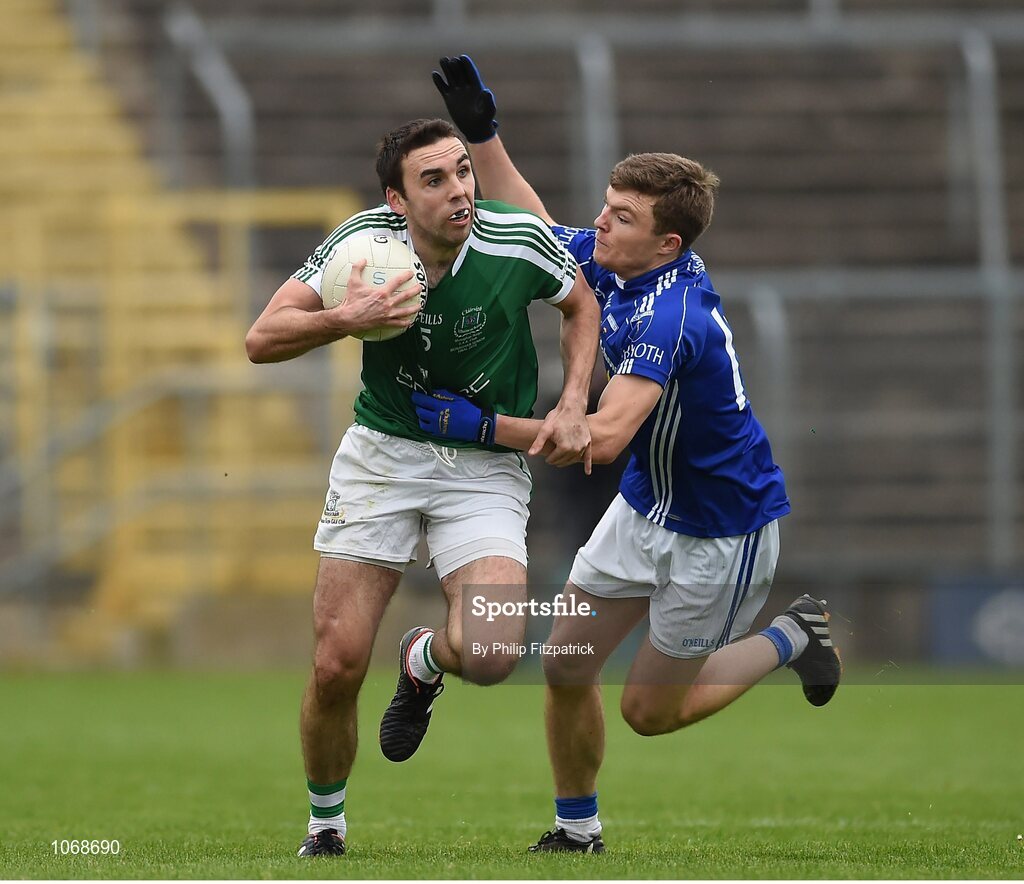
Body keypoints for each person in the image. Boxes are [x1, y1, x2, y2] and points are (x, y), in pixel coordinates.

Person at [416, 55, 842, 854]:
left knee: (649, 714)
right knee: (567, 665)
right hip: (646, 506)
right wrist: (483, 135)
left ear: (667, 241)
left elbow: (600, 439)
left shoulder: (671, 315)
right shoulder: (619, 269)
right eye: (605, 210)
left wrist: (474, 426)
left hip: (722, 530)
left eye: (620, 217)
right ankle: (578, 834)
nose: (600, 224)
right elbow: (534, 228)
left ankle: (796, 637)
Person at [245, 116, 600, 857]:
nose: (459, 190)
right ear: (396, 201)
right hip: (383, 456)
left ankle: (424, 660)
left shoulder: (516, 236)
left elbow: (581, 304)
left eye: (463, 171)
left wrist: (571, 403)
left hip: (481, 468)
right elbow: (262, 338)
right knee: (336, 662)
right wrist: (348, 317)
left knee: (495, 654)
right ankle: (326, 826)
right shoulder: (361, 246)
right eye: (433, 180)